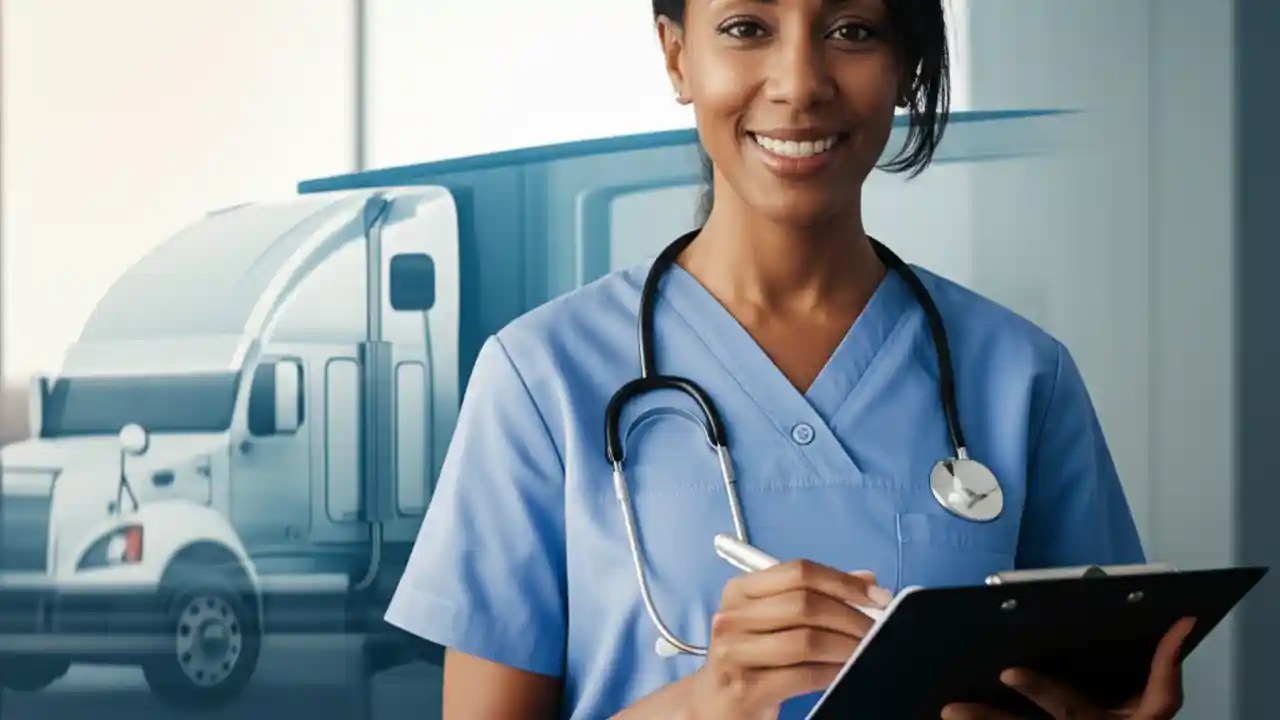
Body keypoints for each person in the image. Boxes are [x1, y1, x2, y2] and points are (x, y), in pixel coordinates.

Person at [384, 1, 1195, 718]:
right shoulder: (541, 380)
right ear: (677, 57)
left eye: (852, 30)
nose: (799, 82)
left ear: (906, 63)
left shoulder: (1024, 377)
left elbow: (1092, 683)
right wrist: (707, 705)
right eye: (746, 28)